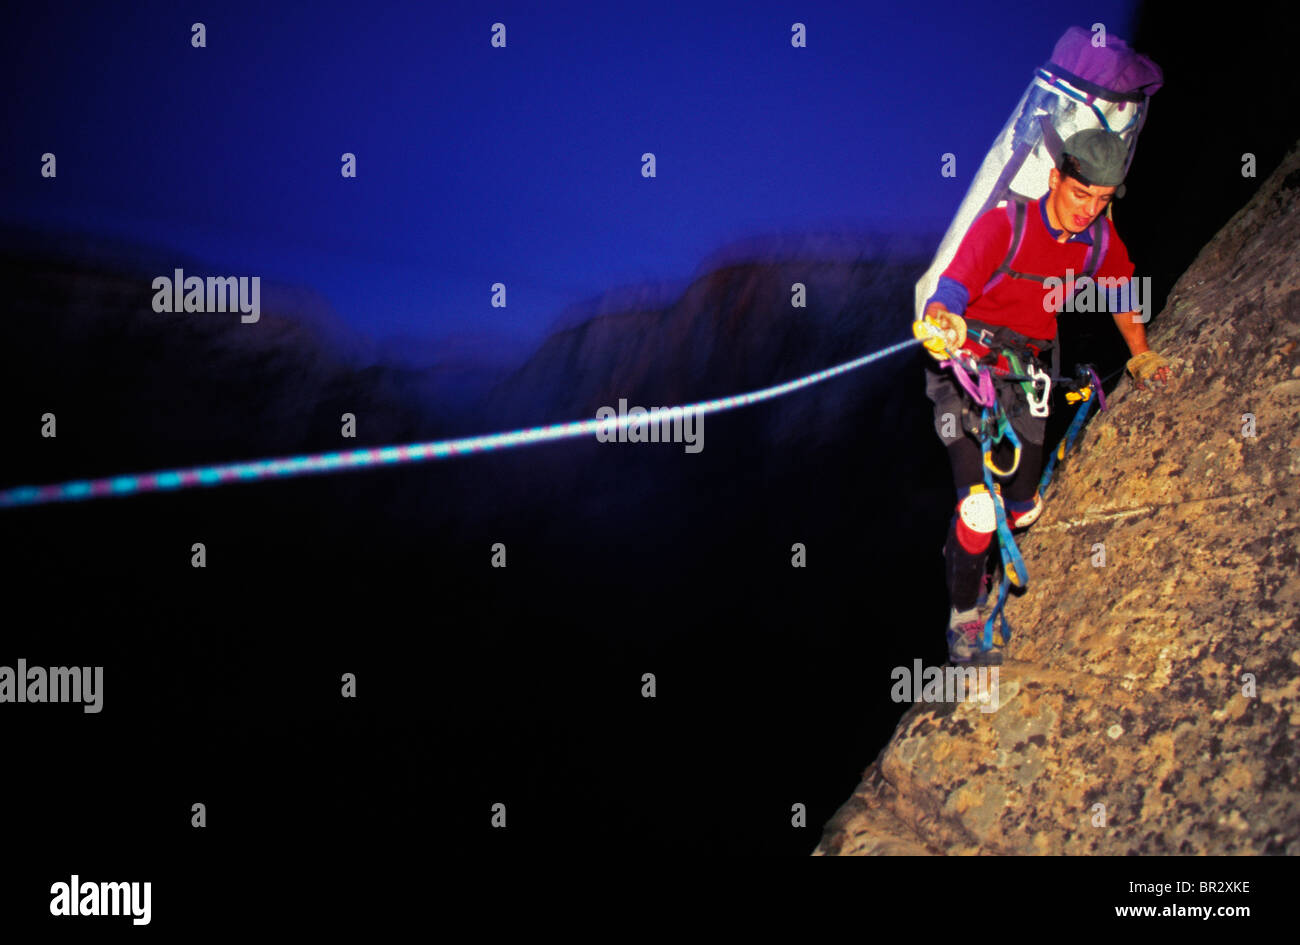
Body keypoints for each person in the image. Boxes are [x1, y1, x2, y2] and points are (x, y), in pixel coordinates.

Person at [919, 128, 1172, 665]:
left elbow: (1123, 290)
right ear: (1056, 178)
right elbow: (954, 287)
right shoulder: (1005, 225)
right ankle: (965, 614)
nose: (1088, 210)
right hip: (964, 366)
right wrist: (945, 322)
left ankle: (973, 541)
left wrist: (1141, 354)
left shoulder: (1099, 240)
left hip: (1026, 373)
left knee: (1023, 509)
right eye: (1081, 195)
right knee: (980, 510)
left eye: (1101, 201)